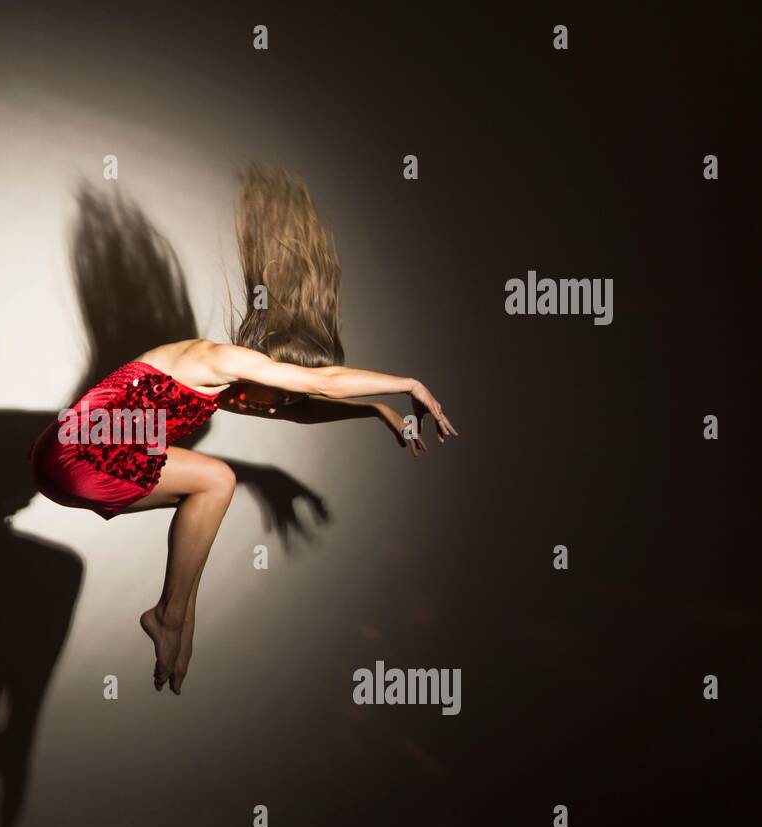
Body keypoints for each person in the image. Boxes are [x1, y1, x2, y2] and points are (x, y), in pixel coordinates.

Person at [30, 165, 458, 695]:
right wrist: (406, 384)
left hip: (76, 463)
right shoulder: (221, 359)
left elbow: (302, 406)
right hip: (78, 453)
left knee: (209, 488)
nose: (275, 409)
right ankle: (171, 618)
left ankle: (176, 622)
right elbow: (320, 385)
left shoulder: (230, 387)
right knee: (216, 481)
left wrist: (372, 412)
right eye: (281, 393)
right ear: (272, 368)